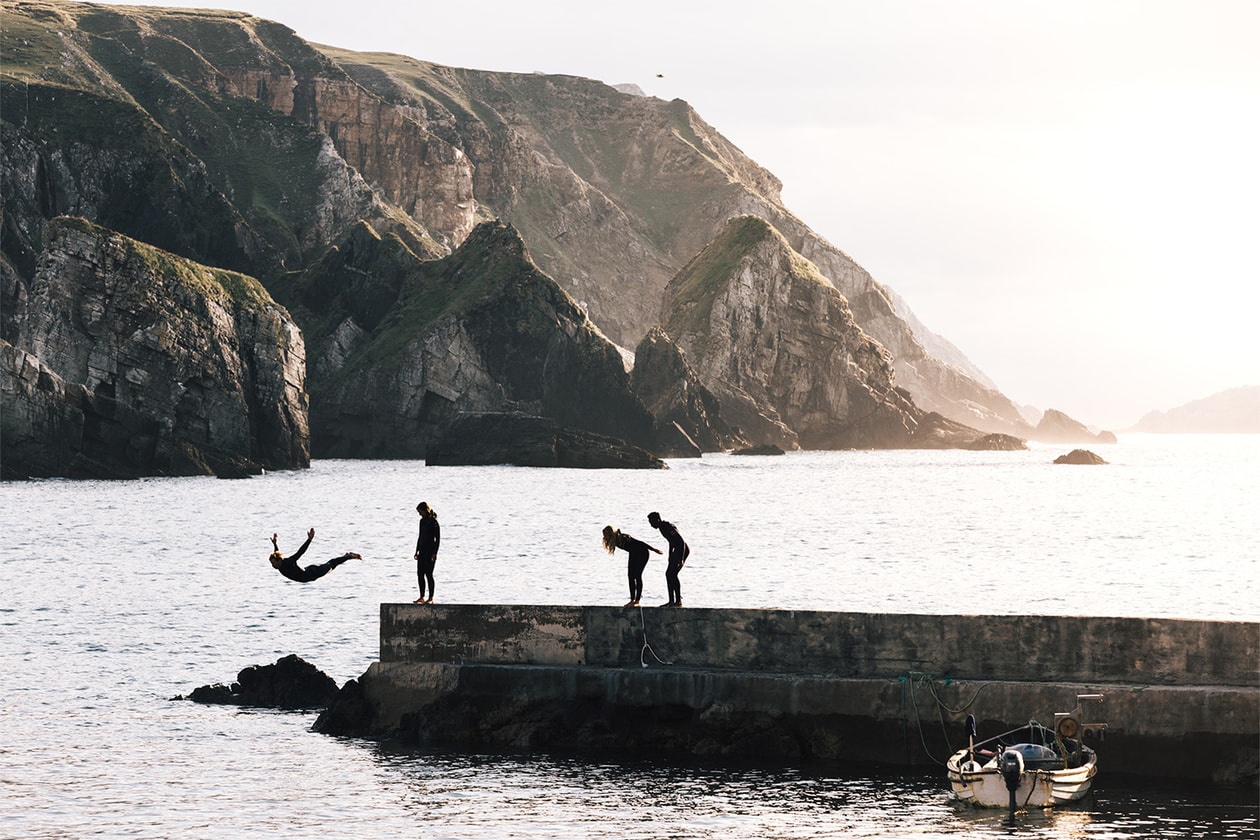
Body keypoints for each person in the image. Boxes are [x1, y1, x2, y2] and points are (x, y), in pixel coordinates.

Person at [269, 528, 360, 582]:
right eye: (272, 564)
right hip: (308, 574)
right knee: (332, 565)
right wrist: (275, 544)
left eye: (274, 563)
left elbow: (300, 552)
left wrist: (309, 540)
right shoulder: (279, 563)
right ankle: (346, 556)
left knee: (332, 564)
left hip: (314, 572)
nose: (273, 566)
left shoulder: (289, 562)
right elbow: (276, 553)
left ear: (279, 560)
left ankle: (349, 556)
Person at [602, 525, 661, 607]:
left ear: (610, 534)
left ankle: (637, 600)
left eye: (605, 535)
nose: (604, 537)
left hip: (642, 552)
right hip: (633, 553)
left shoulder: (622, 537)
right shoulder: (614, 541)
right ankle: (632, 600)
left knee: (637, 575)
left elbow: (640, 543)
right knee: (630, 576)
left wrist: (653, 549)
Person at [648, 511, 689, 607]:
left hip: (682, 549)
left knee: (671, 574)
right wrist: (670, 555)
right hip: (676, 550)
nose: (651, 525)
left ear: (657, 520)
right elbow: (671, 541)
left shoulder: (667, 526)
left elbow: (681, 541)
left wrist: (681, 558)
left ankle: (677, 601)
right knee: (670, 574)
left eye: (652, 522)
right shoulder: (661, 528)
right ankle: (672, 601)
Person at [414, 501, 440, 604]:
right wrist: (416, 551)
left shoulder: (433, 522)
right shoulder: (422, 522)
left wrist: (435, 553)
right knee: (420, 574)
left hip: (430, 552)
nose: (419, 514)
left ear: (425, 510)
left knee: (429, 574)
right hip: (422, 551)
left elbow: (437, 539)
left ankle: (431, 598)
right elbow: (420, 537)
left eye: (420, 512)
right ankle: (421, 596)